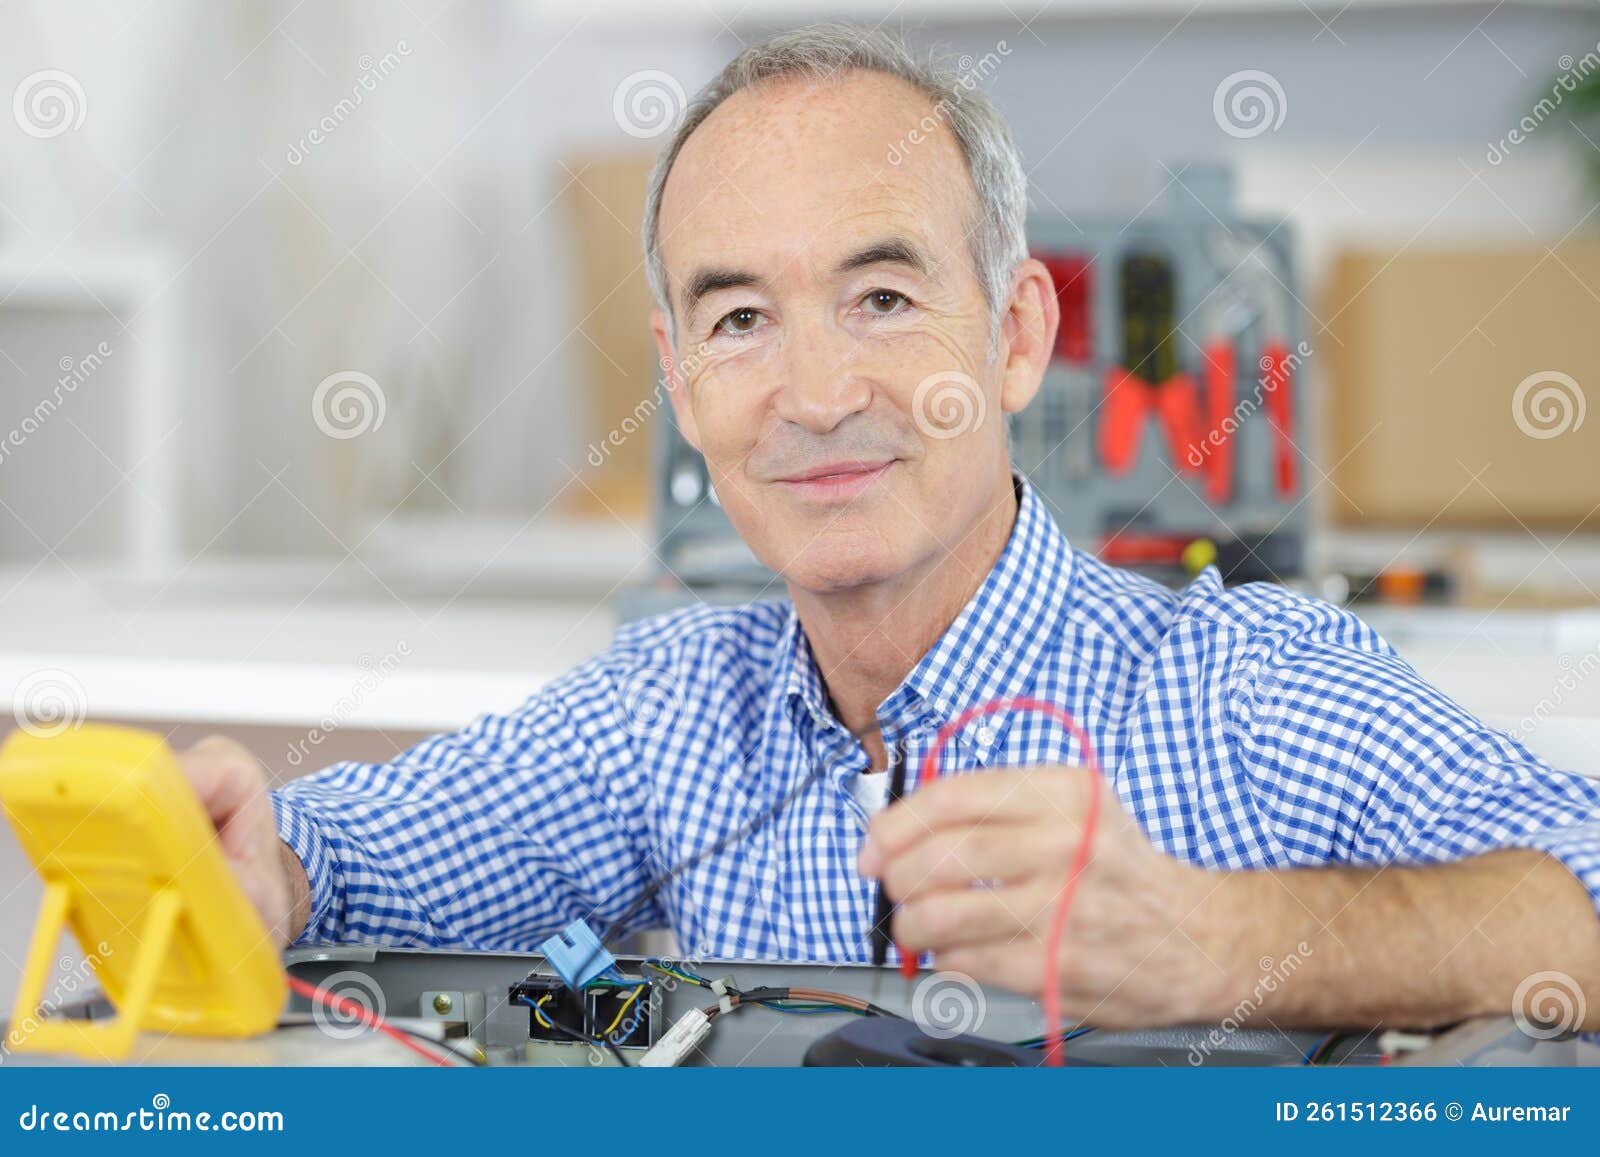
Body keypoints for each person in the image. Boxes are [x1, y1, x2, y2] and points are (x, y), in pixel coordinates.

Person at [185, 24, 1599, 1031]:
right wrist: (265, 864)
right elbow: (369, 850)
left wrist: (1224, 941)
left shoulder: (1241, 687)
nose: (814, 393)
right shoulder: (665, 713)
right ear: (681, 386)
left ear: (1016, 333)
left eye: (882, 298)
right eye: (741, 320)